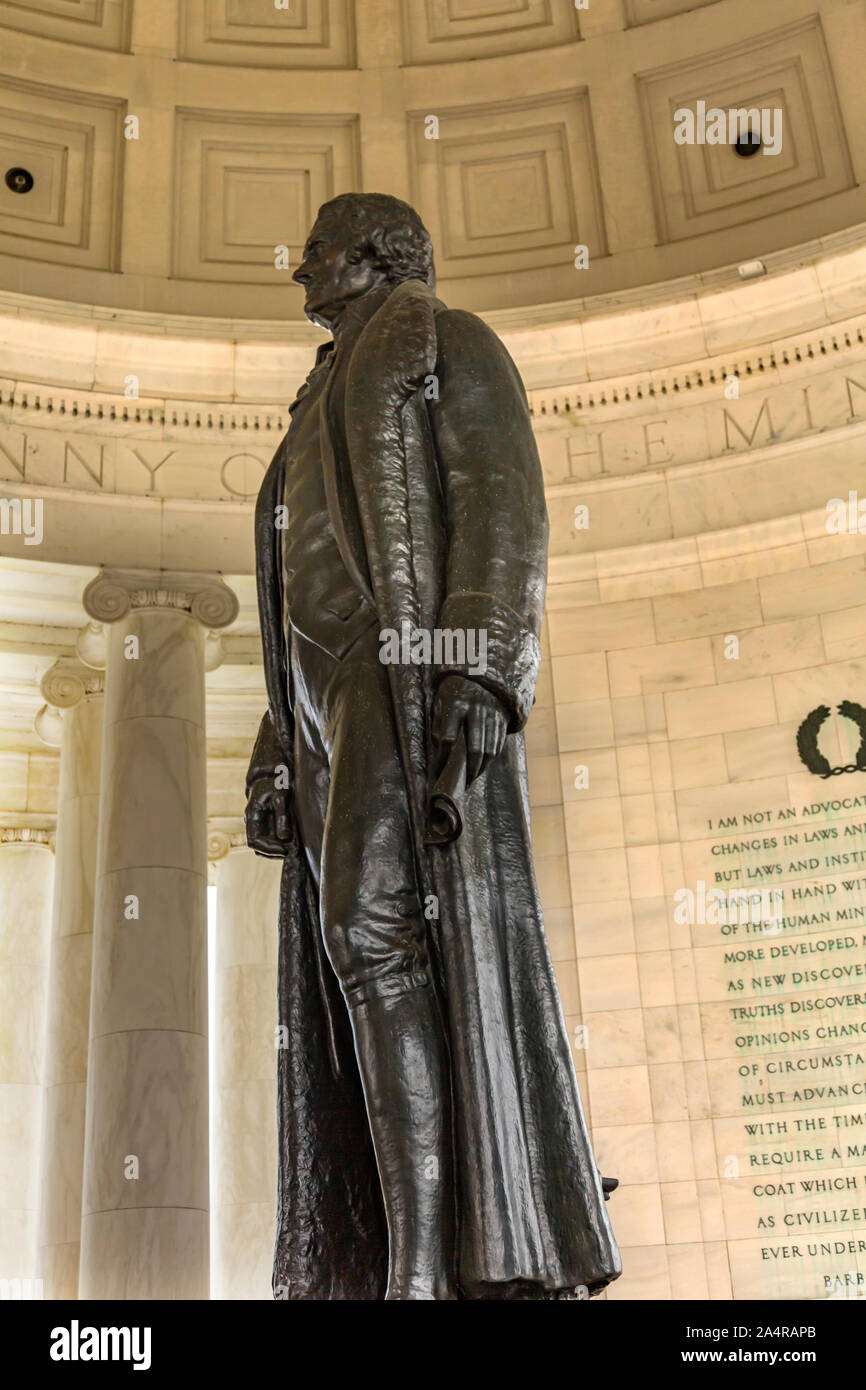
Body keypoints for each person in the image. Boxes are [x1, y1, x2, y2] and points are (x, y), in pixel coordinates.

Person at [245, 192, 621, 1300]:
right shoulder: (313, 402)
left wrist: (486, 665)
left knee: (374, 929)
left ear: (375, 255)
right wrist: (274, 754)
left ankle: (425, 1263)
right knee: (348, 949)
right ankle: (394, 1250)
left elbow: (504, 507)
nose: (298, 269)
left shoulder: (443, 344)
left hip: (403, 670)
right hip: (322, 699)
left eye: (316, 250)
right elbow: (286, 603)